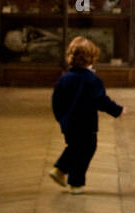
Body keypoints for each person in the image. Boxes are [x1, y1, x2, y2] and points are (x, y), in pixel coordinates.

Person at [49, 37, 123, 193]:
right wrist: (117, 110)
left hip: (68, 123)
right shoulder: (92, 80)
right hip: (86, 124)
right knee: (86, 150)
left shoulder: (65, 79)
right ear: (91, 58)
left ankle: (60, 169)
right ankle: (75, 183)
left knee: (75, 147)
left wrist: (61, 119)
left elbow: (56, 101)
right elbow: (101, 100)